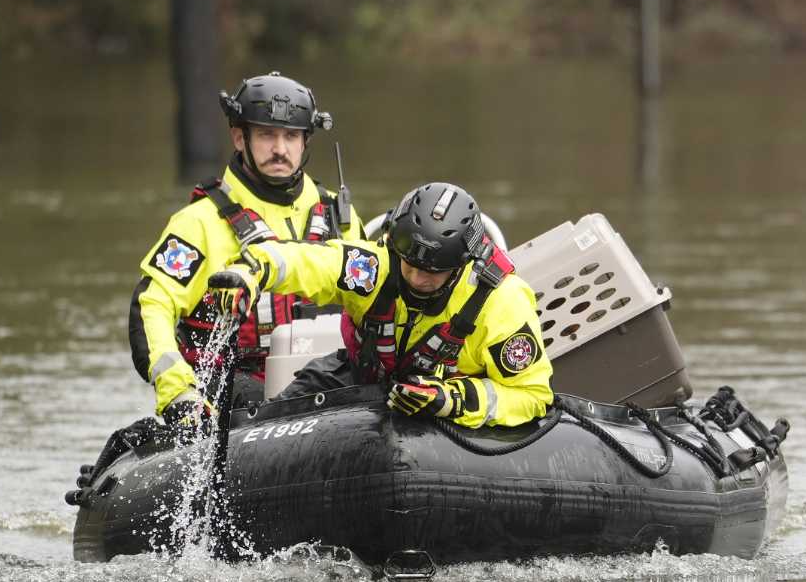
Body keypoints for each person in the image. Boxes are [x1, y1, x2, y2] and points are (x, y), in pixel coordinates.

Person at [208, 181, 553, 428]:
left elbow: (533, 395)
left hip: (450, 402)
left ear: (461, 264)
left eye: (434, 272)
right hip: (361, 375)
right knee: (267, 425)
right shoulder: (370, 267)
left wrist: (451, 399)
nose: (418, 279)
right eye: (411, 265)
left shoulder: (501, 302)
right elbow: (302, 261)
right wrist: (249, 272)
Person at [129, 72, 361, 427]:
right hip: (233, 394)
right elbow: (153, 306)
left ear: (305, 141)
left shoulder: (339, 218)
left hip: (331, 384)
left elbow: (377, 300)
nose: (280, 149)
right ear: (240, 137)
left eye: (291, 136)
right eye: (267, 135)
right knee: (250, 396)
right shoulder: (200, 222)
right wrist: (177, 391)